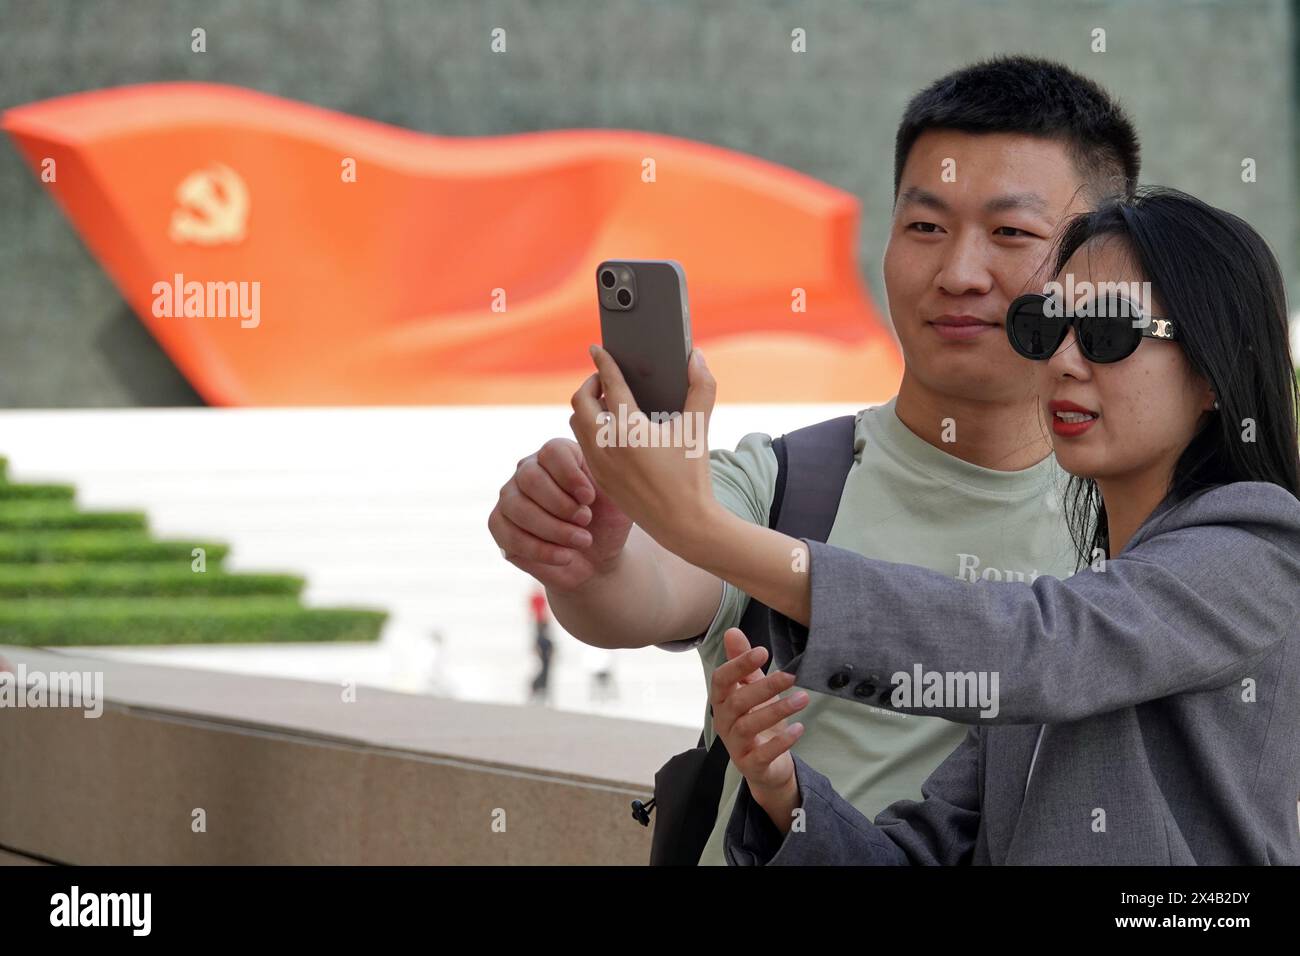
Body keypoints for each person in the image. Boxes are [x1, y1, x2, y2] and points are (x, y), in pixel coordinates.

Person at [490, 55, 1142, 864]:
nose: (958, 273)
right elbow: (646, 591)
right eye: (925, 227)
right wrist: (592, 551)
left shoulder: (1143, 519)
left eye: (1011, 233)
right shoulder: (790, 482)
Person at [571, 187, 1300, 864]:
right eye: (1046, 326)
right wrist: (782, 793)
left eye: (1109, 331)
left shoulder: (1257, 548)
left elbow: (1033, 646)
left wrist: (703, 530)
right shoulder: (1073, 617)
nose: (1065, 362)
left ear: (1211, 372)